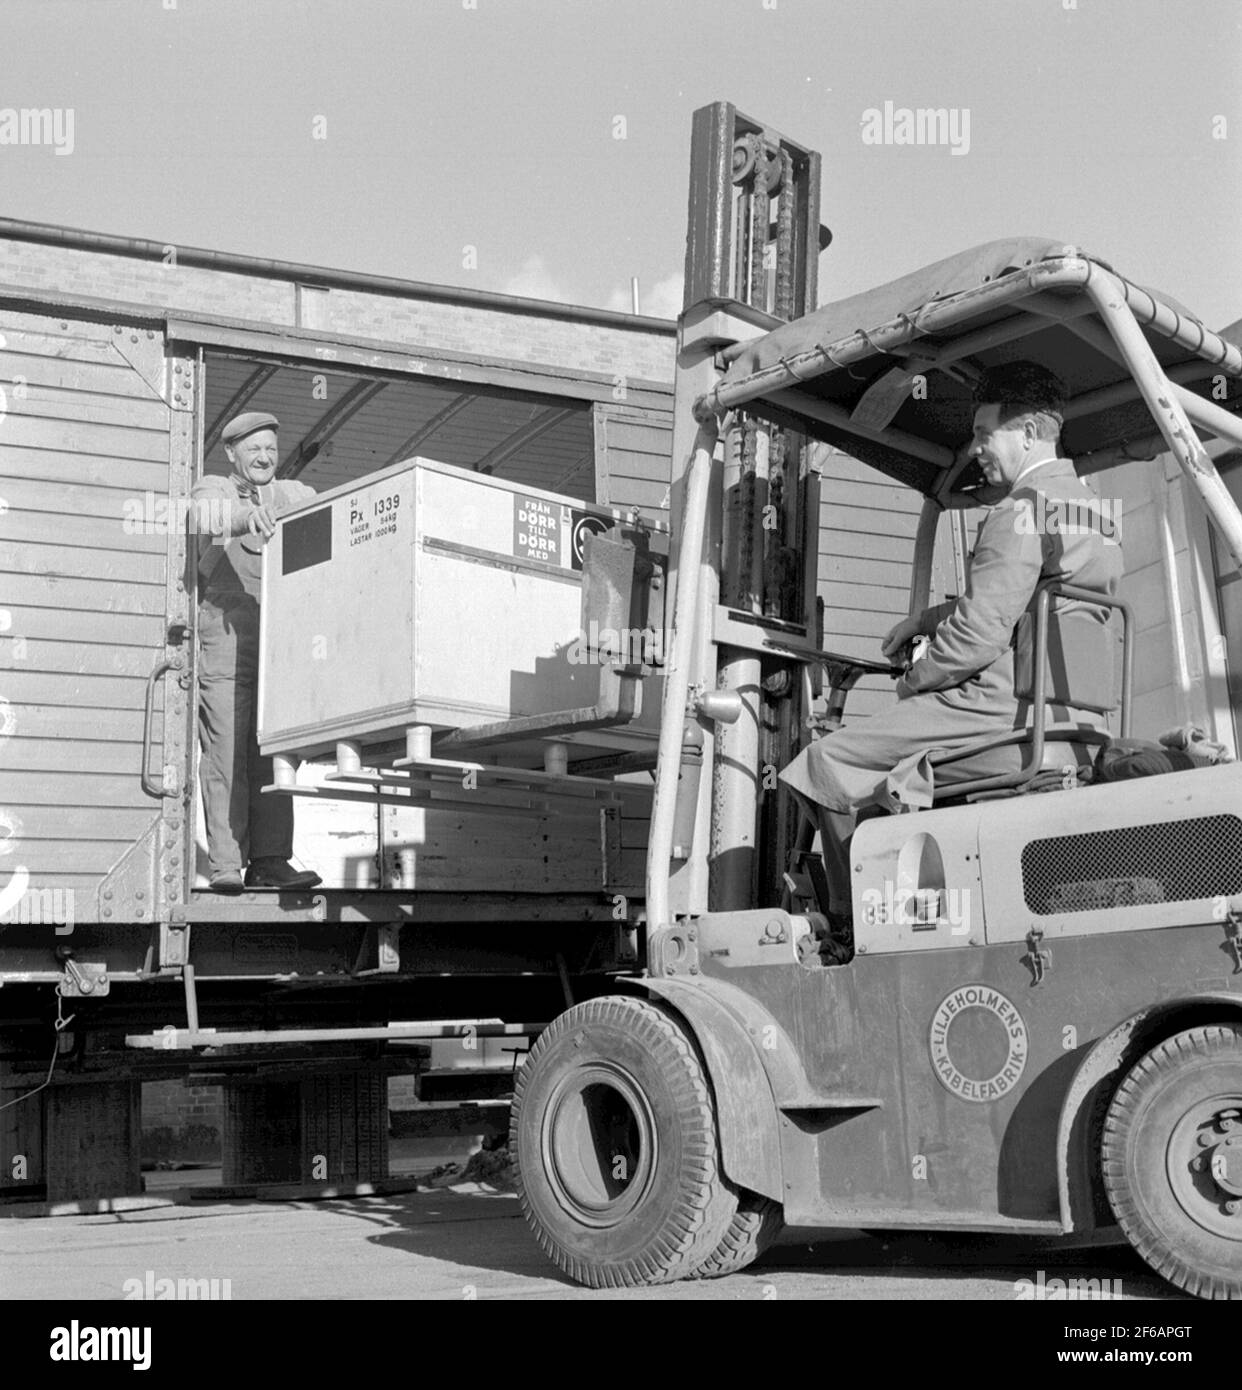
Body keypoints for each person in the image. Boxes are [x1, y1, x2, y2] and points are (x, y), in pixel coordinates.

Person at [780, 362, 1125, 924]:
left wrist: (915, 682)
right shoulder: (1097, 513)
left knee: (828, 761)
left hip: (1000, 714)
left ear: (1031, 431)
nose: (976, 447)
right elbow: (1032, 598)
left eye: (986, 431)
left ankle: (852, 928)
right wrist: (926, 619)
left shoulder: (1020, 510)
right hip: (1073, 719)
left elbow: (978, 635)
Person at [192, 411, 322, 894]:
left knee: (273, 750)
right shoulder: (215, 489)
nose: (264, 456)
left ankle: (269, 861)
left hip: (278, 638)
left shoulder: (292, 493)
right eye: (253, 449)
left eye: (270, 447)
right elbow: (200, 517)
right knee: (226, 750)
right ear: (232, 454)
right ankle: (227, 862)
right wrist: (246, 516)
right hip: (226, 637)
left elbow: (333, 511)